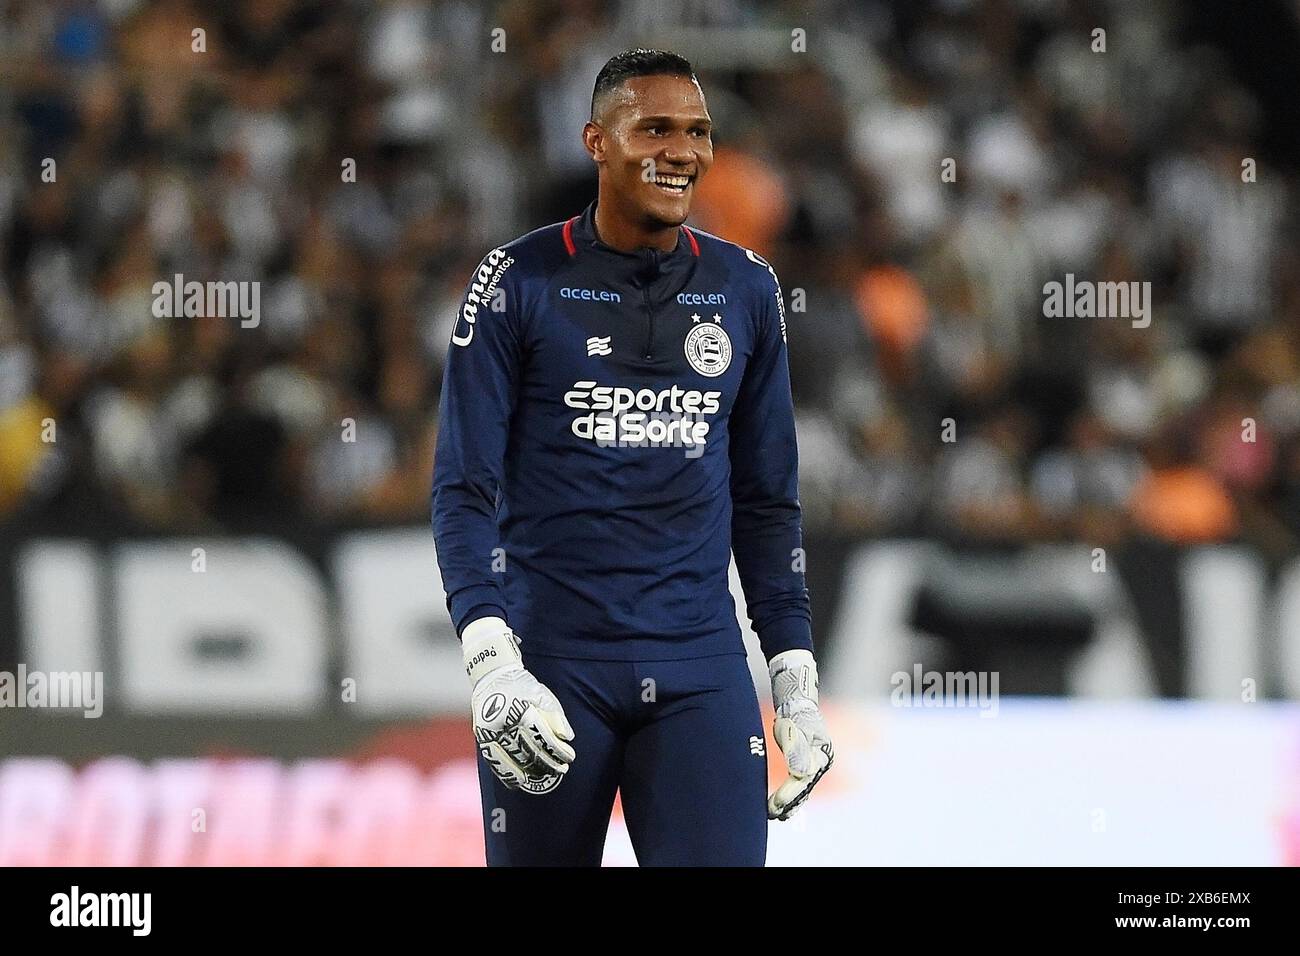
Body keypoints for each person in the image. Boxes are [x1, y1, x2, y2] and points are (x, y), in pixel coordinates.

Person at [432, 48, 833, 866]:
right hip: (550, 670)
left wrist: (793, 675)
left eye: (697, 132)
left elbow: (766, 503)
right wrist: (490, 663)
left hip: (702, 672)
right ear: (596, 141)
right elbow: (462, 491)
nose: (681, 150)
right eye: (653, 128)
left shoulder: (748, 289)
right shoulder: (517, 281)